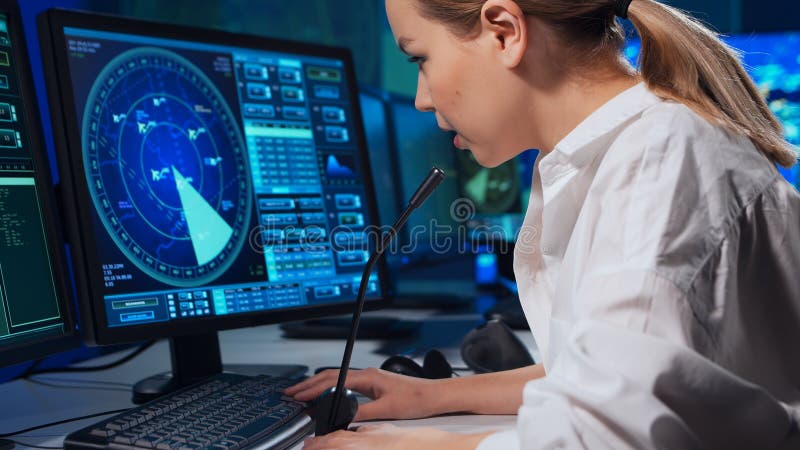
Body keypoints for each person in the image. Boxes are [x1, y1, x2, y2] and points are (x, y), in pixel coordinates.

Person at [287, 0, 800, 448]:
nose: (421, 98)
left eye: (420, 58)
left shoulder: (658, 160)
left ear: (504, 32)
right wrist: (433, 395)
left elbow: (609, 435)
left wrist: (421, 448)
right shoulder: (609, 157)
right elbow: (604, 373)